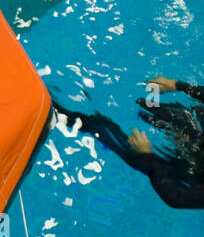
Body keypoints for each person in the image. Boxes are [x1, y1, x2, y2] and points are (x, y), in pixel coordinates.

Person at [52, 76, 204, 209]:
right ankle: (140, 115)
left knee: (111, 135)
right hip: (197, 147)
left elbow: (176, 199)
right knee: (176, 114)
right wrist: (178, 85)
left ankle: (59, 114)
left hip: (192, 175)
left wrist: (148, 155)